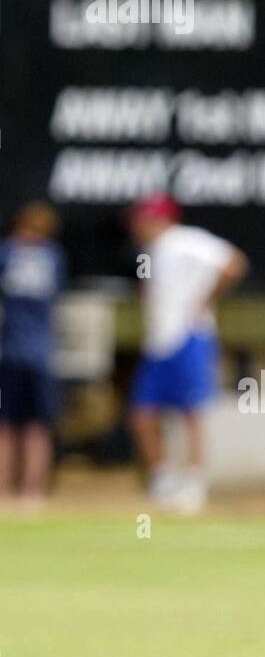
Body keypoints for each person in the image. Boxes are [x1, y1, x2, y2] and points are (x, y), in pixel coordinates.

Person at [128, 195, 249, 514]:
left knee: (191, 412)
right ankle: (163, 481)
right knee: (143, 413)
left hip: (188, 337)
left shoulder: (186, 240)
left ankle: (194, 485)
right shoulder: (151, 253)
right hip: (158, 342)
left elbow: (233, 263)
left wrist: (205, 301)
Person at [0, 202, 66, 500]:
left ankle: (0, 488)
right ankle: (31, 490)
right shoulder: (53, 256)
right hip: (41, 351)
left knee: (2, 421)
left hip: (11, 350)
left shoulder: (6, 252)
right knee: (37, 423)